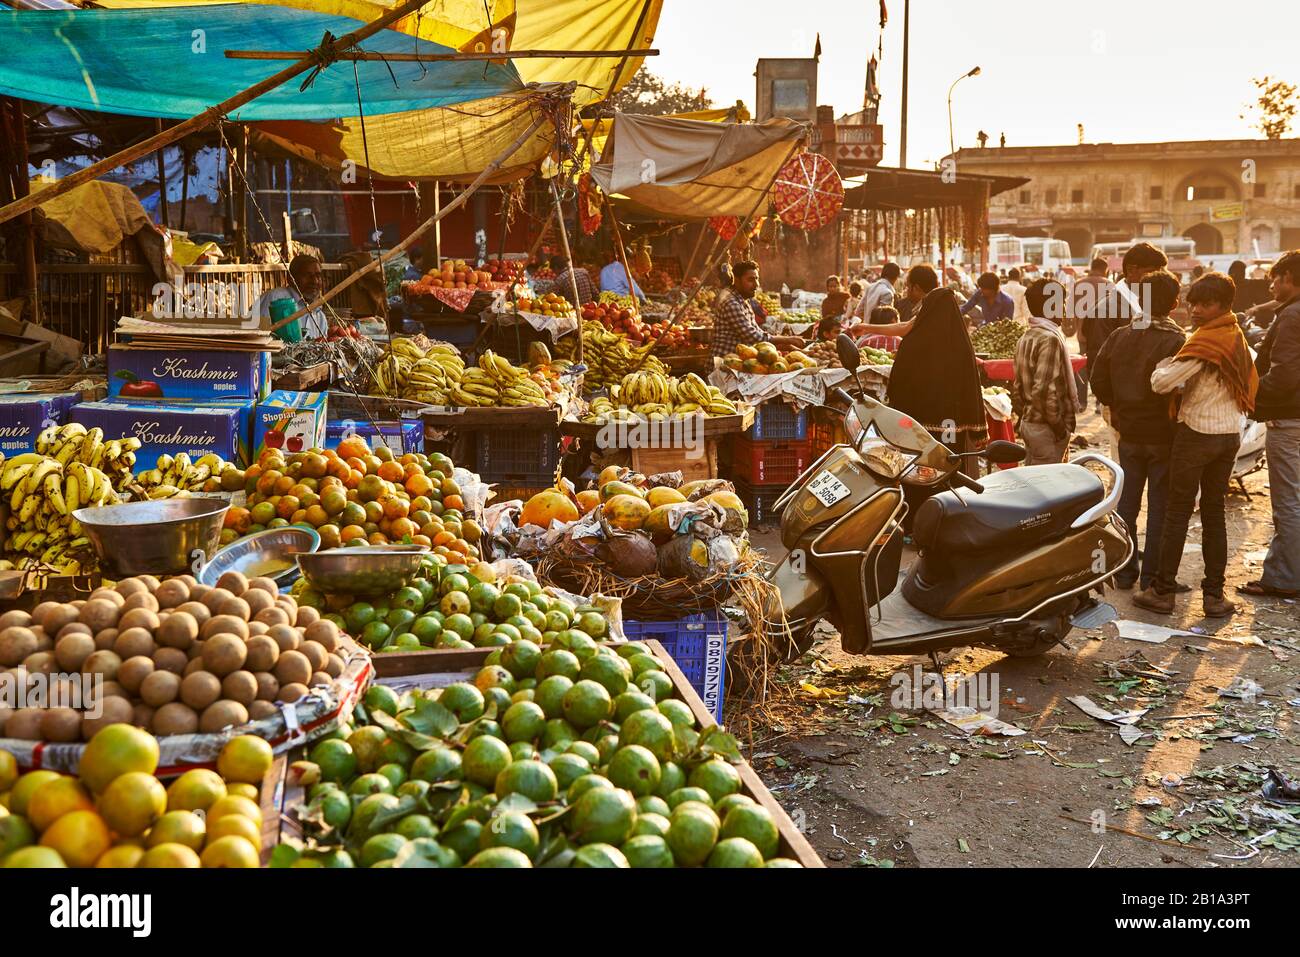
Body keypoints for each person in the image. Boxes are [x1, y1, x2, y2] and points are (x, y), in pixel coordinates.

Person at [1134, 272, 1259, 618]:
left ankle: (1162, 591)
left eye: (1206, 304)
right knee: (1214, 513)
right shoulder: (1237, 337)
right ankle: (1214, 597)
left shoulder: (1205, 343)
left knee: (1177, 513)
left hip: (1197, 435)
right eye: (1194, 303)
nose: (1196, 310)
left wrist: (1163, 366)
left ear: (1223, 305)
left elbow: (1162, 383)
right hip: (1229, 435)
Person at [1090, 270, 1186, 591]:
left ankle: (1124, 573)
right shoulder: (1177, 340)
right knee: (1159, 507)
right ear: (1174, 303)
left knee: (1127, 505)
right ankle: (1151, 578)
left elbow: (1098, 380)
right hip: (1162, 436)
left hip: (1128, 432)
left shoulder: (1121, 335)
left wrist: (1116, 408)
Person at [1239, 250, 1300, 600]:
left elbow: (1285, 374)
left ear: (1289, 277)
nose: (1272, 285)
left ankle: (1284, 577)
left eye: (1275, 278)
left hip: (1288, 418)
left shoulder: (1291, 315)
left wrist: (1252, 394)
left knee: (1287, 500)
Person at [887, 285, 988, 484]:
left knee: (916, 475)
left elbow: (895, 385)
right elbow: (972, 389)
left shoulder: (912, 342)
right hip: (950, 428)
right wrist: (978, 430)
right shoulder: (962, 346)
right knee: (948, 472)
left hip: (915, 430)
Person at [1012, 278, 1080, 464]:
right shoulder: (1050, 339)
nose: (1065, 309)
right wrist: (1059, 428)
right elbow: (1043, 391)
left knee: (1034, 483)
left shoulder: (1026, 337)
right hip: (1046, 429)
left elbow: (1017, 388)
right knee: (1049, 488)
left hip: (1030, 423)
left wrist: (1026, 415)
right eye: (1062, 303)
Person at [711, 261, 802, 358]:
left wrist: (790, 347)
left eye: (757, 279)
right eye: (751, 280)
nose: (756, 284)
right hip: (723, 364)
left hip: (739, 361)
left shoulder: (744, 302)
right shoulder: (732, 304)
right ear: (737, 281)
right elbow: (753, 337)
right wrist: (789, 339)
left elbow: (758, 333)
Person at [254, 254, 330, 341]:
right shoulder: (275, 298)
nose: (315, 281)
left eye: (318, 276)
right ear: (290, 278)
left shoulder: (319, 315)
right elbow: (256, 337)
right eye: (307, 275)